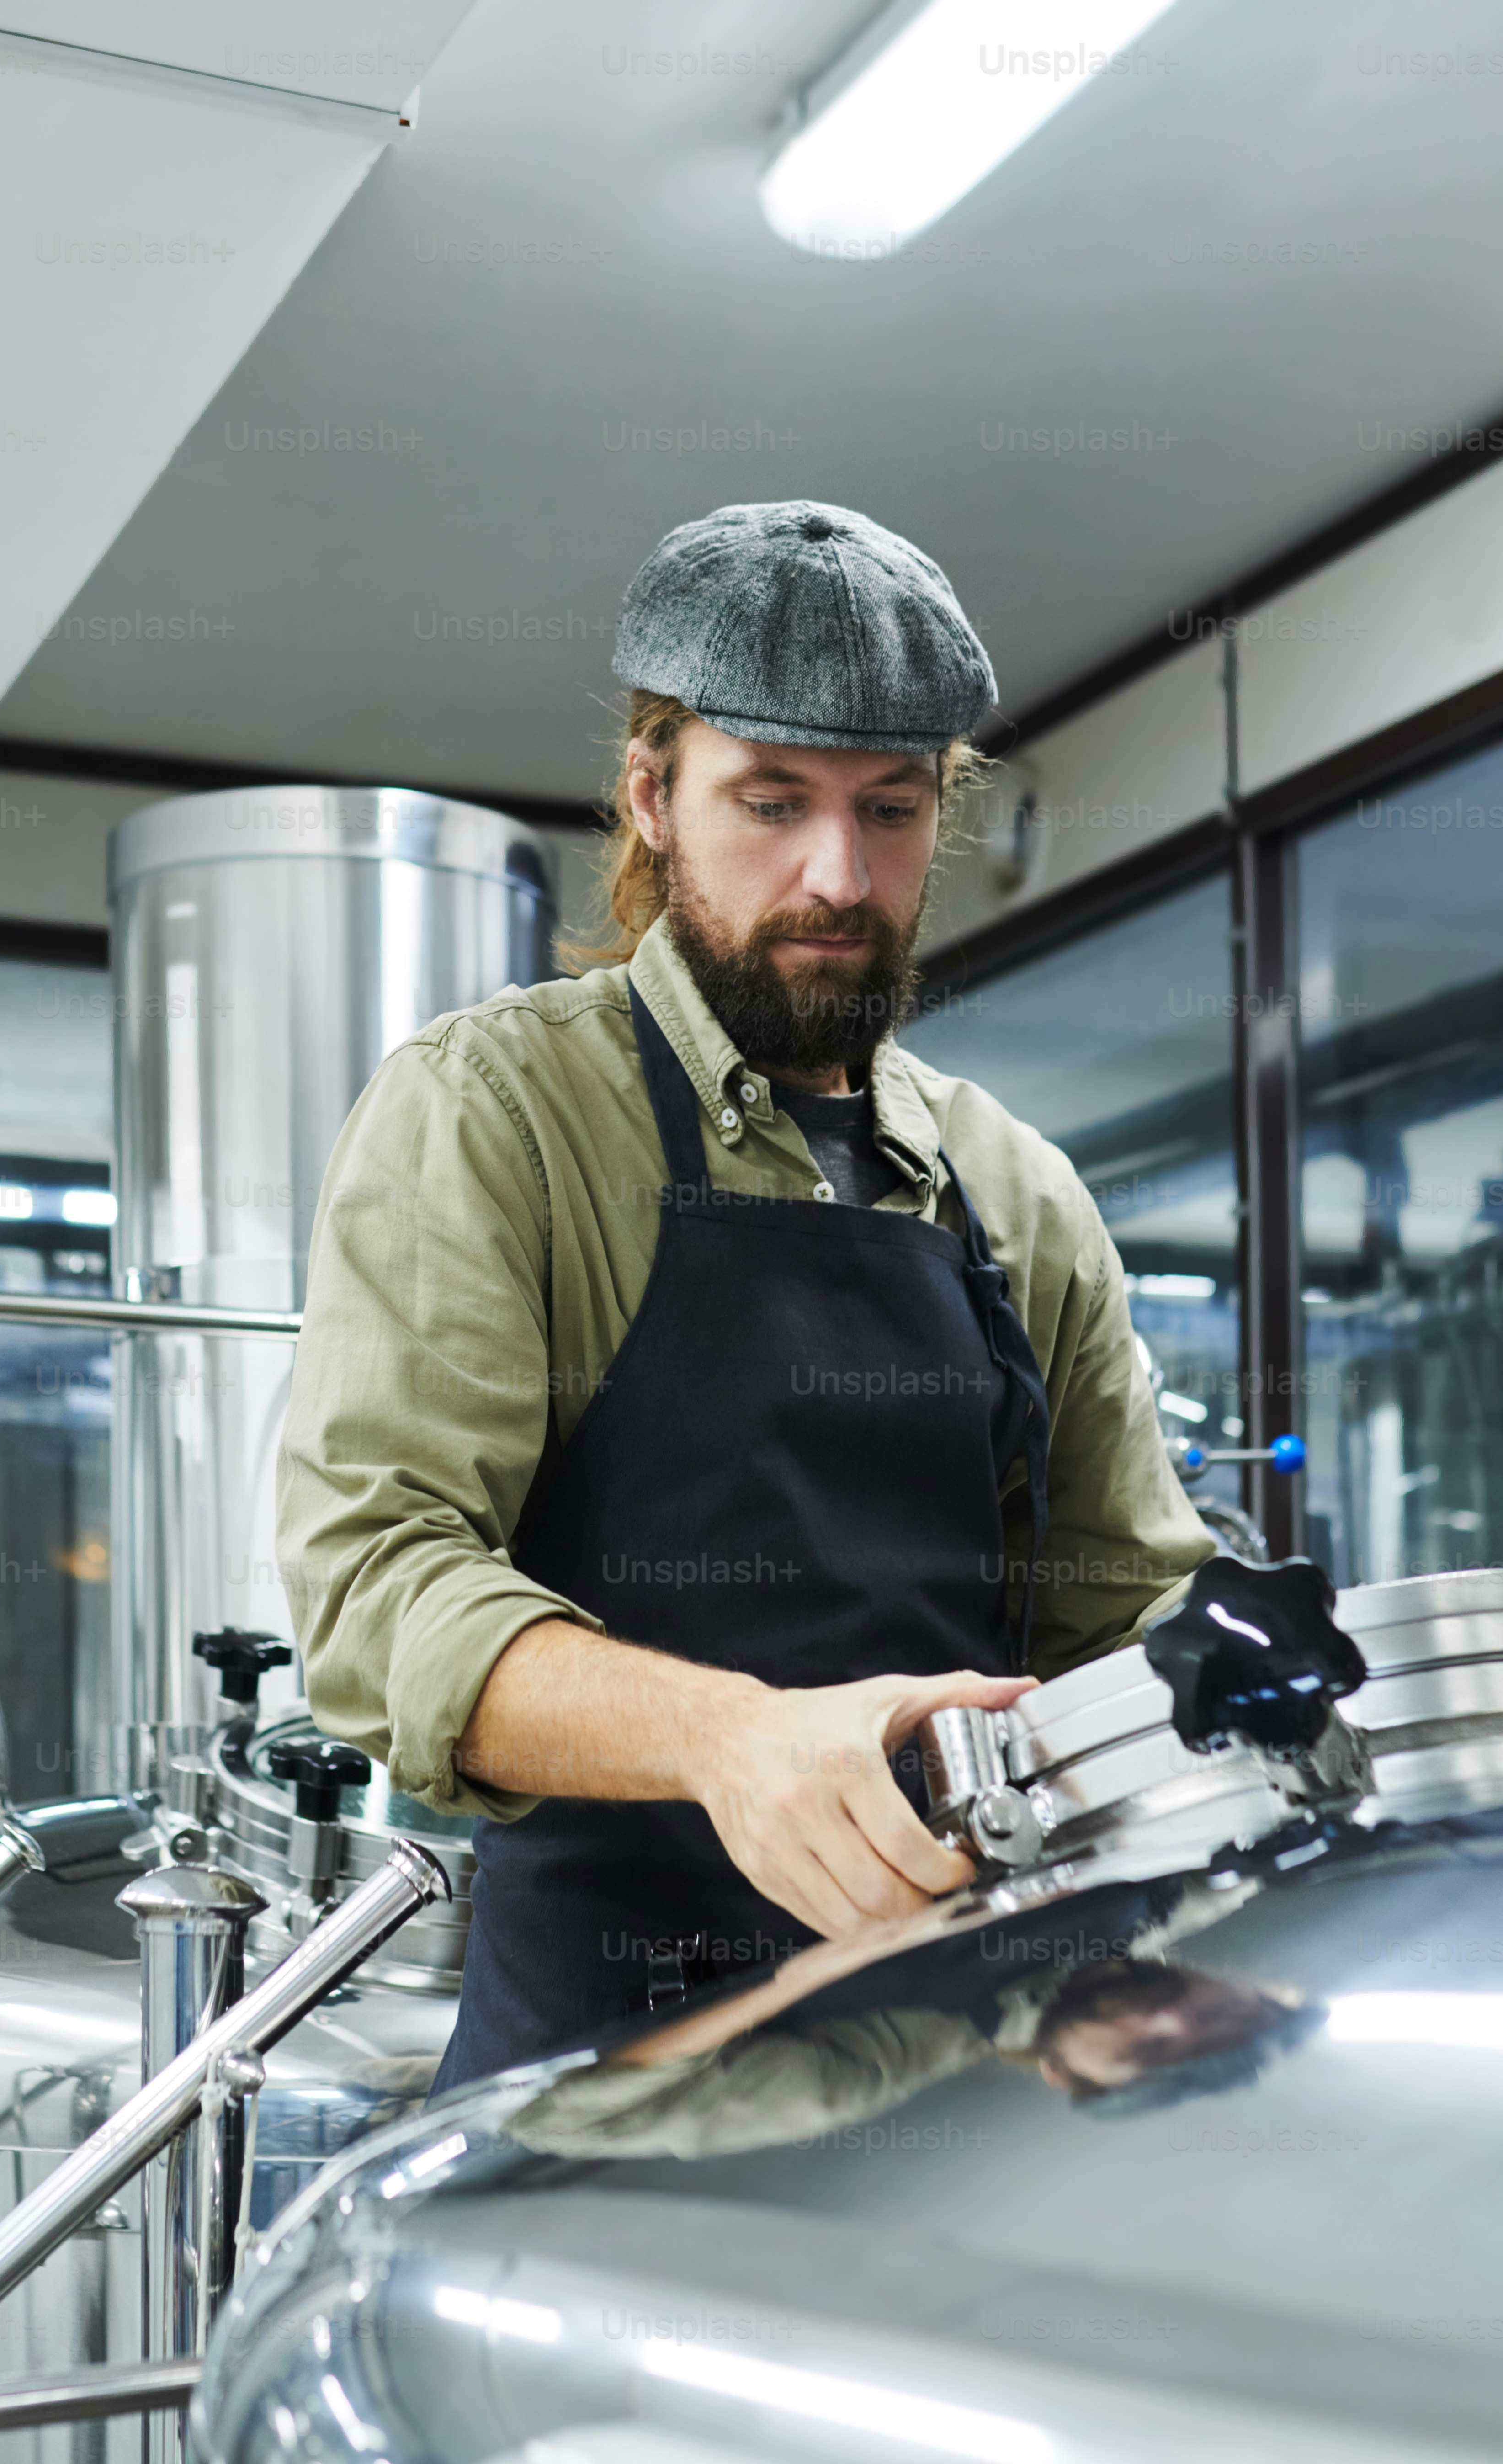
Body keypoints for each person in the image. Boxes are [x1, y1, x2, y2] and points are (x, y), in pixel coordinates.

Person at [278, 498, 1213, 2085]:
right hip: (600, 2085)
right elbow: (377, 1582)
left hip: (965, 2065)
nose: (837, 876)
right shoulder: (500, 1111)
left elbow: (1121, 1623)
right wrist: (730, 1742)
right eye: (771, 802)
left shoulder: (1016, 1187)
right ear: (652, 794)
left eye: (893, 811)